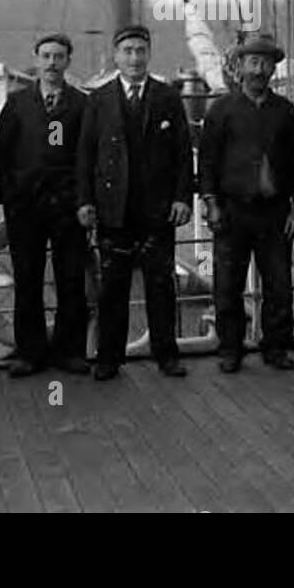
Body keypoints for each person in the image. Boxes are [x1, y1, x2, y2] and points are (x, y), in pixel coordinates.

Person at [76, 24, 192, 381]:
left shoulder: (167, 97)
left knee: (160, 285)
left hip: (157, 209)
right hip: (114, 210)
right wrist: (85, 202)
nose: (135, 58)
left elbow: (183, 153)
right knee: (113, 288)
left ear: (149, 54)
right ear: (116, 56)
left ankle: (166, 354)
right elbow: (85, 155)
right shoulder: (98, 100)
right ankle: (109, 357)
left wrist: (182, 198)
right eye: (127, 51)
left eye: (141, 50)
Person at [198, 34, 294, 373]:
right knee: (227, 285)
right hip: (232, 210)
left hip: (274, 212)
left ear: (274, 68)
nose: (260, 69)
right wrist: (211, 203)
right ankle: (231, 348)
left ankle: (275, 347)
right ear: (240, 67)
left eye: (266, 63)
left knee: (279, 285)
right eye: (253, 62)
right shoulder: (221, 110)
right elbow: (209, 162)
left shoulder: (286, 112)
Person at [0, 33, 91, 377]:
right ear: (36, 59)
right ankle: (29, 352)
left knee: (70, 280)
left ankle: (69, 351)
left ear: (68, 61)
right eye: (46, 56)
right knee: (27, 279)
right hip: (26, 207)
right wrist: (9, 195)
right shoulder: (17, 104)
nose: (52, 63)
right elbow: (2, 153)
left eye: (59, 56)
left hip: (68, 207)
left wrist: (84, 200)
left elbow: (87, 156)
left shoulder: (81, 104)